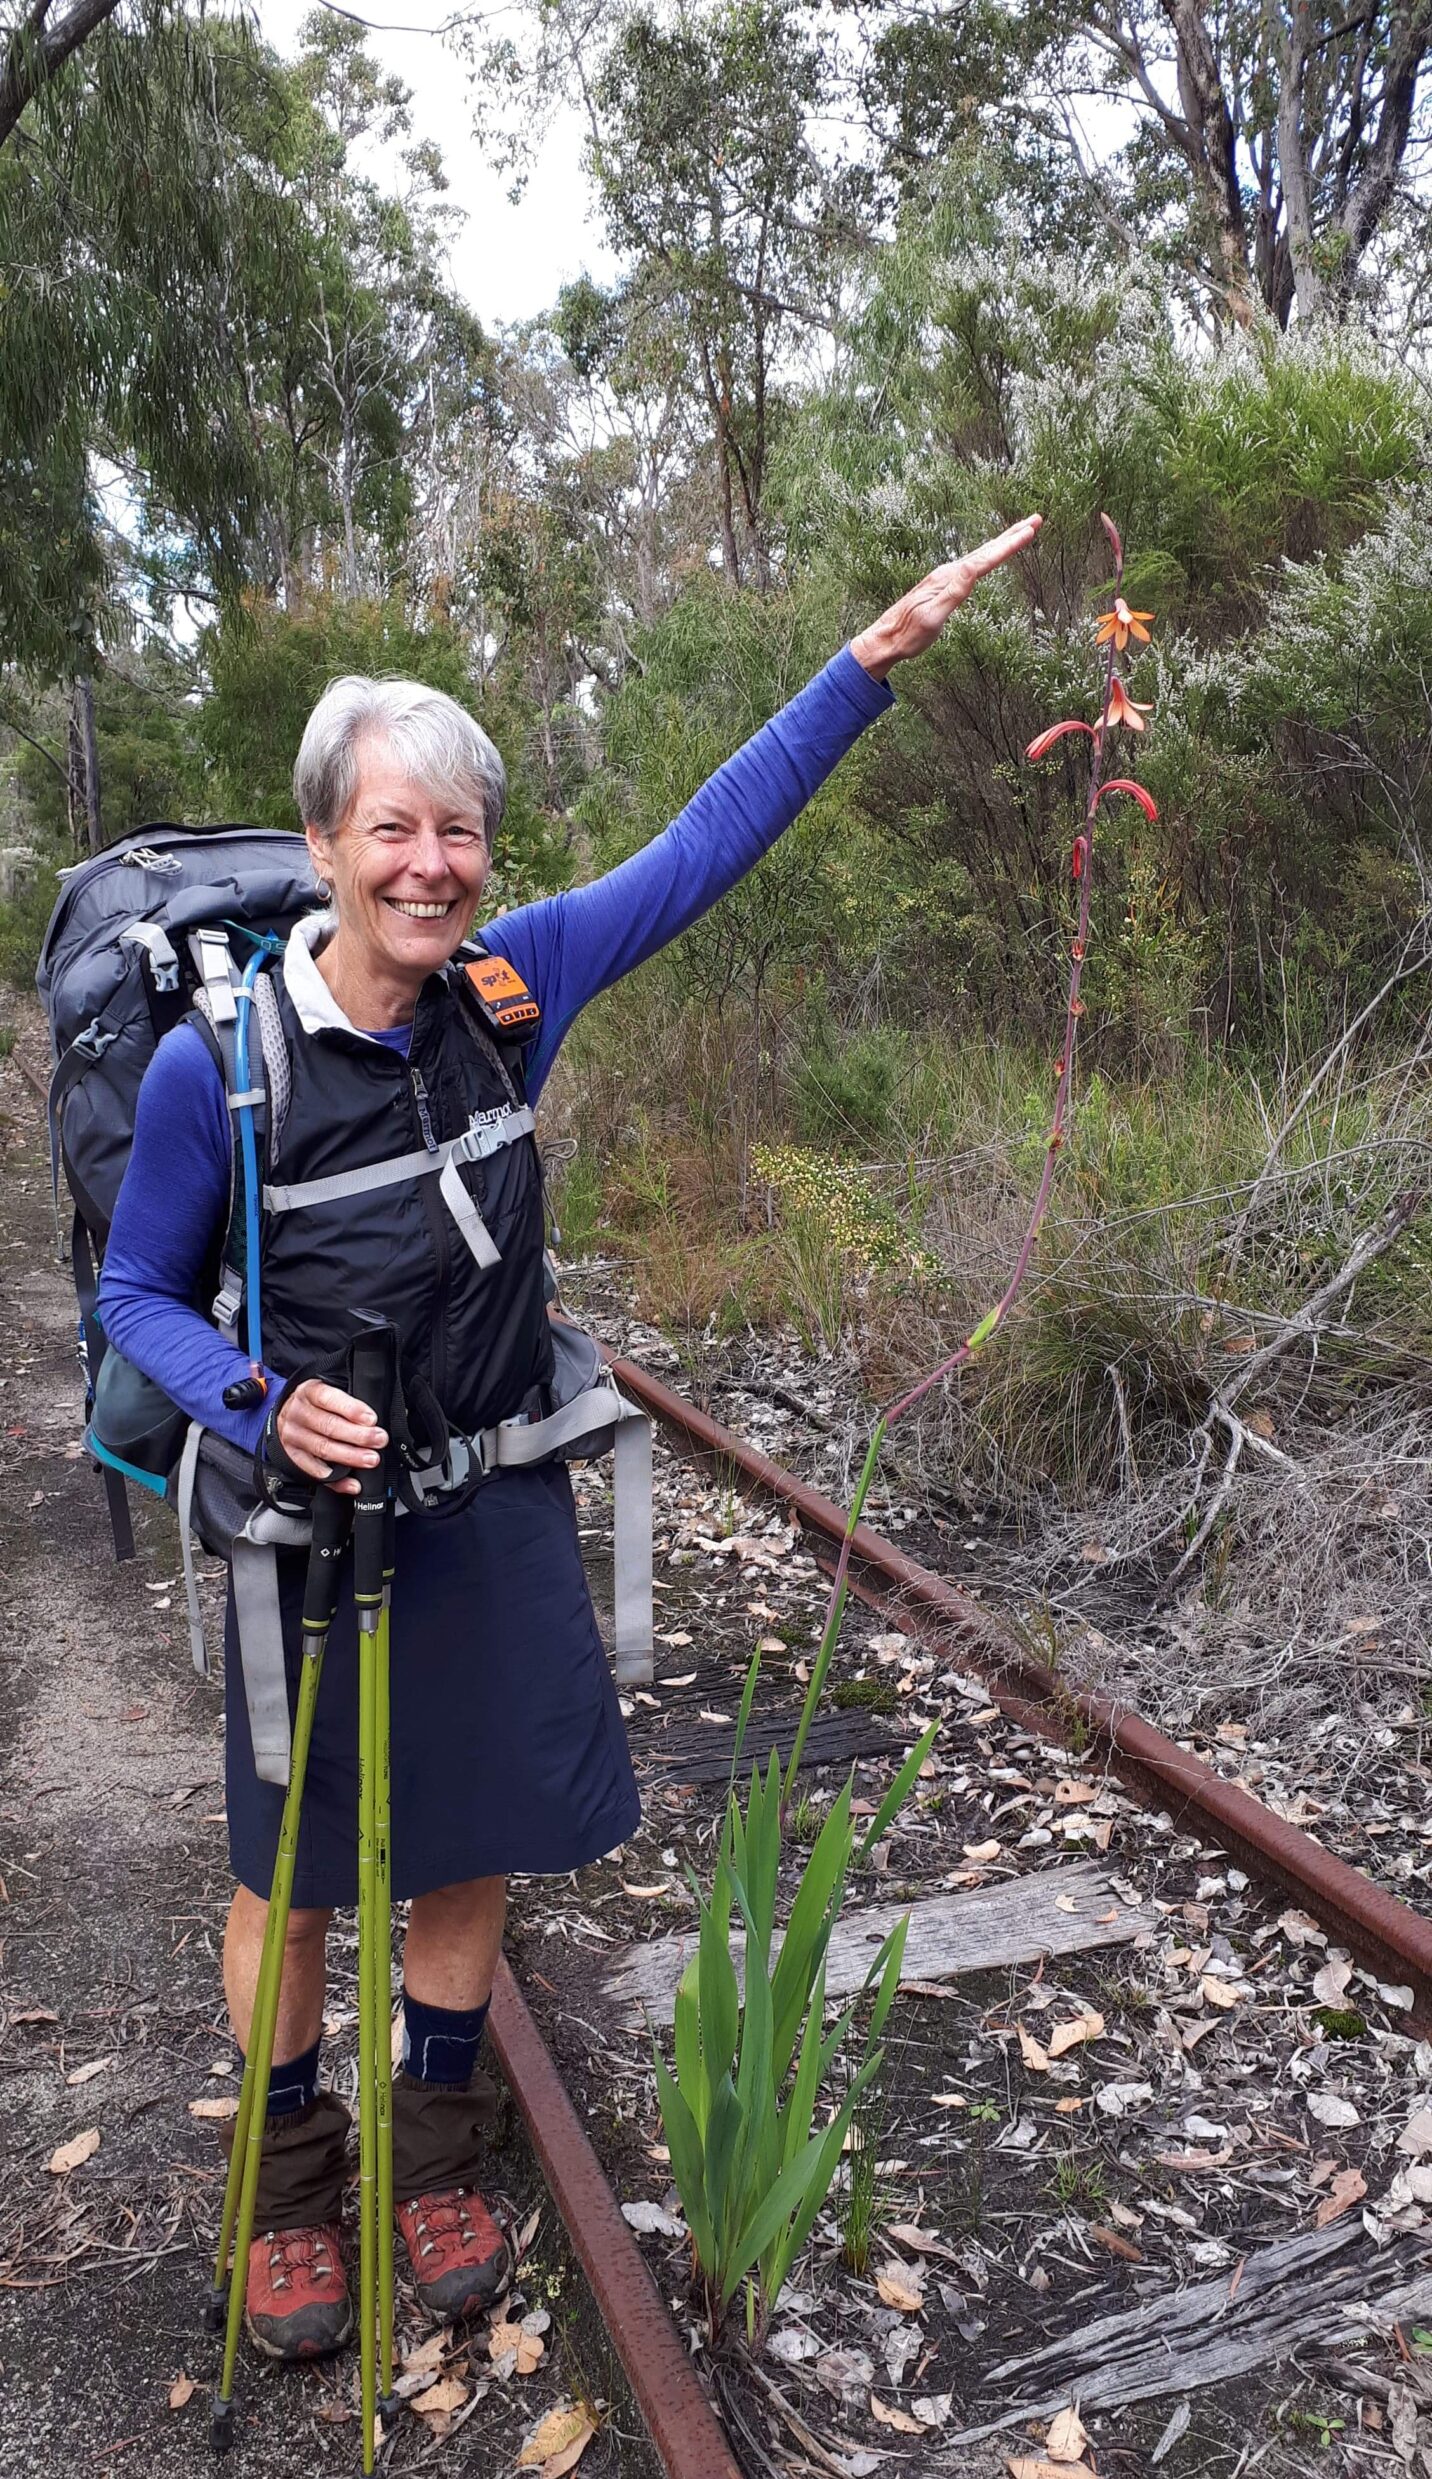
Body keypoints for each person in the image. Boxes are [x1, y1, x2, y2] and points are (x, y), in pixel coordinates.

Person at [99, 517, 1041, 2362]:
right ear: (323, 849)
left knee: (473, 1847)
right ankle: (292, 2198)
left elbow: (699, 851)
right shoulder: (213, 1065)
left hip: (494, 1500)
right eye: (393, 830)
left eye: (457, 832)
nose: (431, 866)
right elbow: (133, 1297)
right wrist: (257, 1399)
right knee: (287, 1882)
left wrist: (869, 662)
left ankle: (441, 2150)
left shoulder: (511, 994)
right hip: (311, 1525)